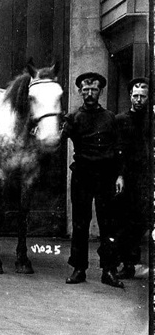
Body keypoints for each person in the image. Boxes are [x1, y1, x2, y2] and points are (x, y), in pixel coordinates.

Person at [62, 72, 124, 288]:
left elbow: (118, 149)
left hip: (106, 177)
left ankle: (109, 270)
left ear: (100, 92)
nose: (89, 94)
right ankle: (79, 269)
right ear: (80, 92)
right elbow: (57, 141)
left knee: (108, 225)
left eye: (94, 90)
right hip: (82, 175)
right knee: (80, 224)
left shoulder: (110, 117)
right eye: (85, 90)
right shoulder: (72, 118)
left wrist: (119, 175)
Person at [115, 77, 150, 280]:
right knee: (126, 221)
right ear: (130, 96)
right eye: (135, 96)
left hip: (147, 178)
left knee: (143, 221)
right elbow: (118, 150)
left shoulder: (151, 121)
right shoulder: (121, 120)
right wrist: (119, 175)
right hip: (128, 178)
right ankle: (128, 263)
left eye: (142, 97)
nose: (138, 100)